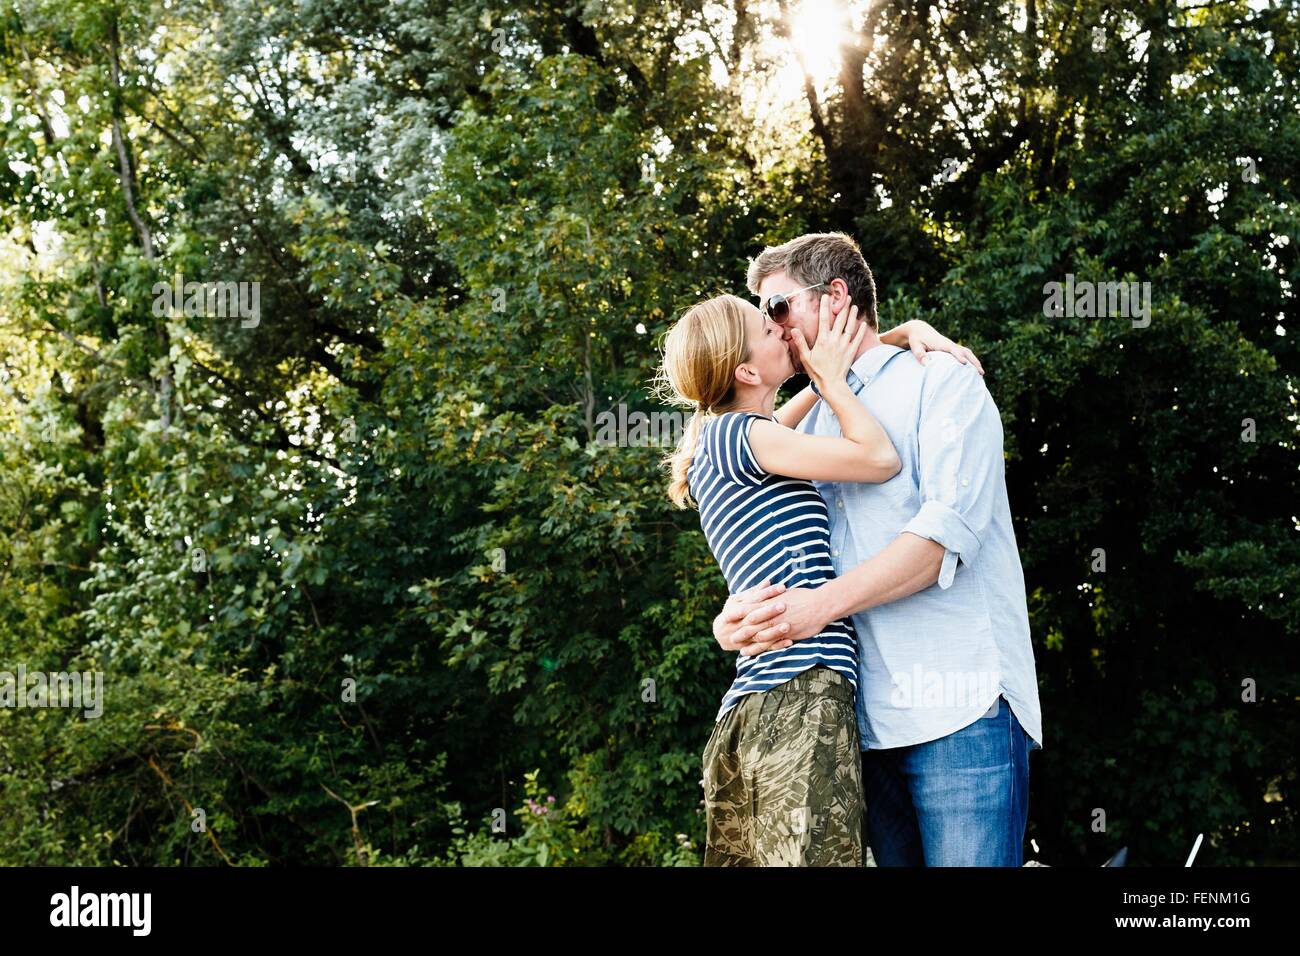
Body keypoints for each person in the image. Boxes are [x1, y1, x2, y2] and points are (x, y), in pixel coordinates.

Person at [712, 232, 1043, 867]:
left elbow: (939, 542)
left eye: (778, 309)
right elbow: (762, 537)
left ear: (835, 297)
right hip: (862, 723)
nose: (770, 328)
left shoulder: (940, 381)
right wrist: (734, 622)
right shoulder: (803, 420)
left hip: (959, 709)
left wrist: (813, 609)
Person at [656, 288, 980, 866]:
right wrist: (834, 382)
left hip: (768, 699)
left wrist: (898, 335)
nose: (781, 327)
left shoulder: (729, 438)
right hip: (801, 691)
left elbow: (792, 408)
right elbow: (880, 460)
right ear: (746, 369)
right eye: (765, 324)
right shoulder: (745, 437)